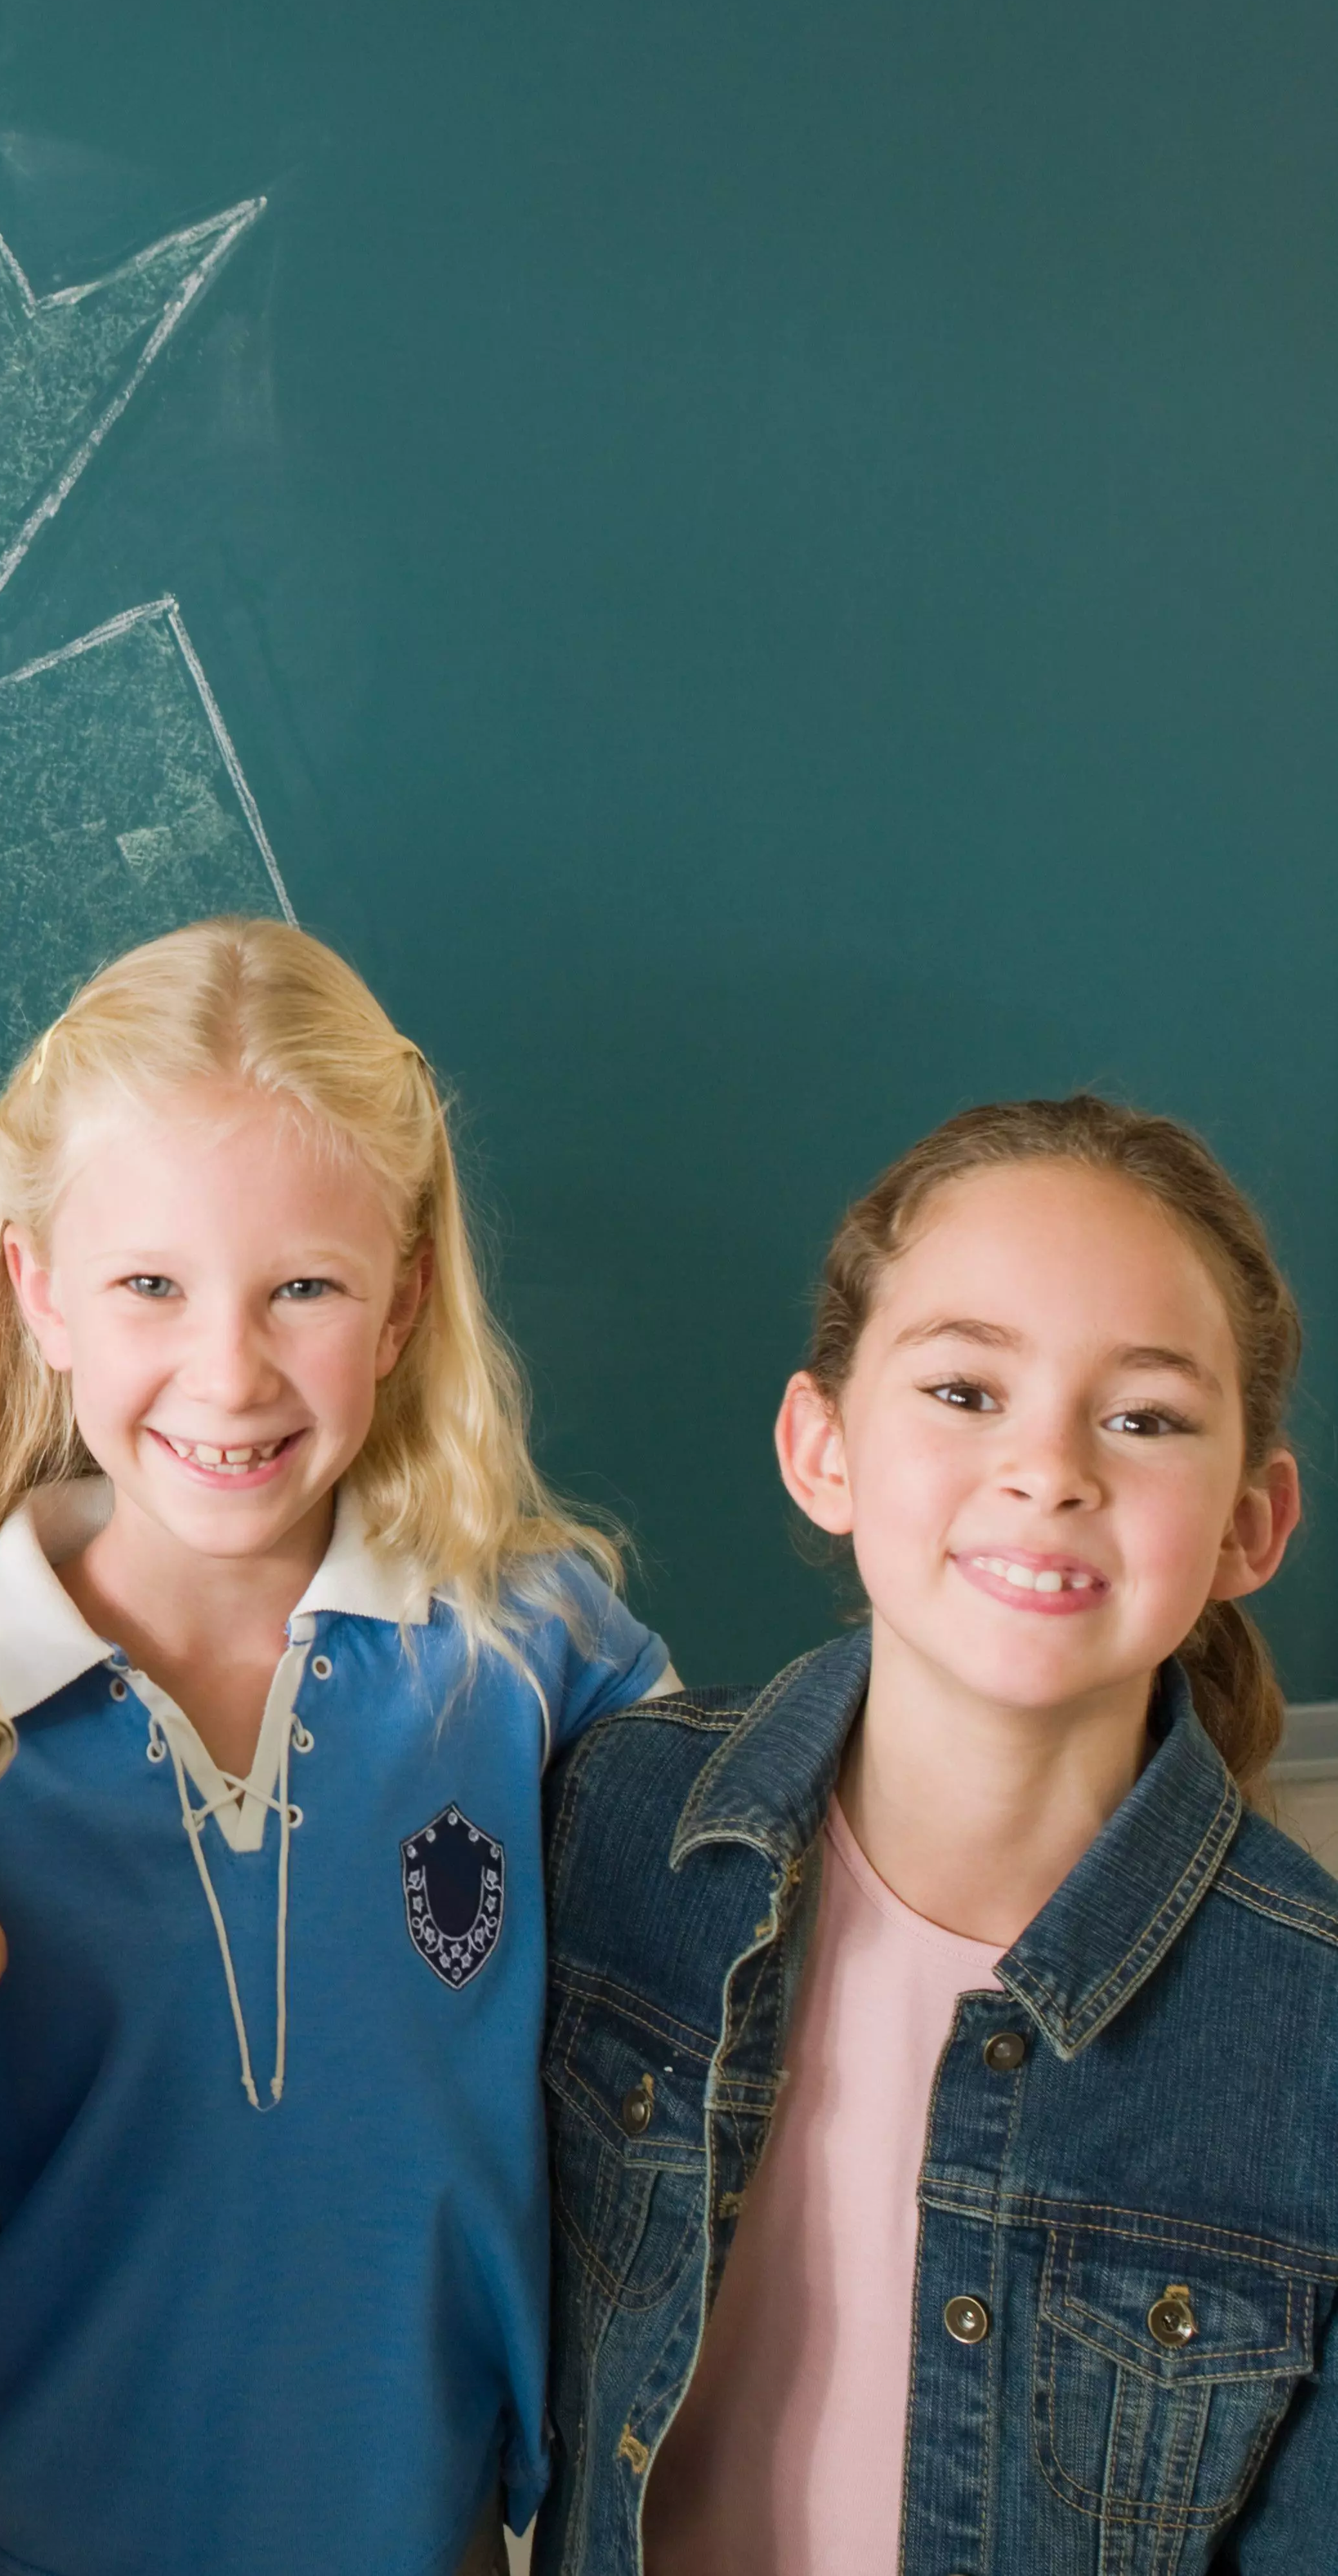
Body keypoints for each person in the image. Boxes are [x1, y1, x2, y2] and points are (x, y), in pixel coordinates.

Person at [0, 919, 670, 2576]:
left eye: (303, 1287)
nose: (227, 1373)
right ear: (42, 1294)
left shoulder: (543, 1665)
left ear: (404, 1301)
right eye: (151, 1285)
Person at [541, 1095, 1332, 2574]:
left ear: (1251, 1523)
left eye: (1145, 1418)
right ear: (821, 1446)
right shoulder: (610, 1828)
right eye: (967, 1392)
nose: (1049, 1472)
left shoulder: (1314, 2044)